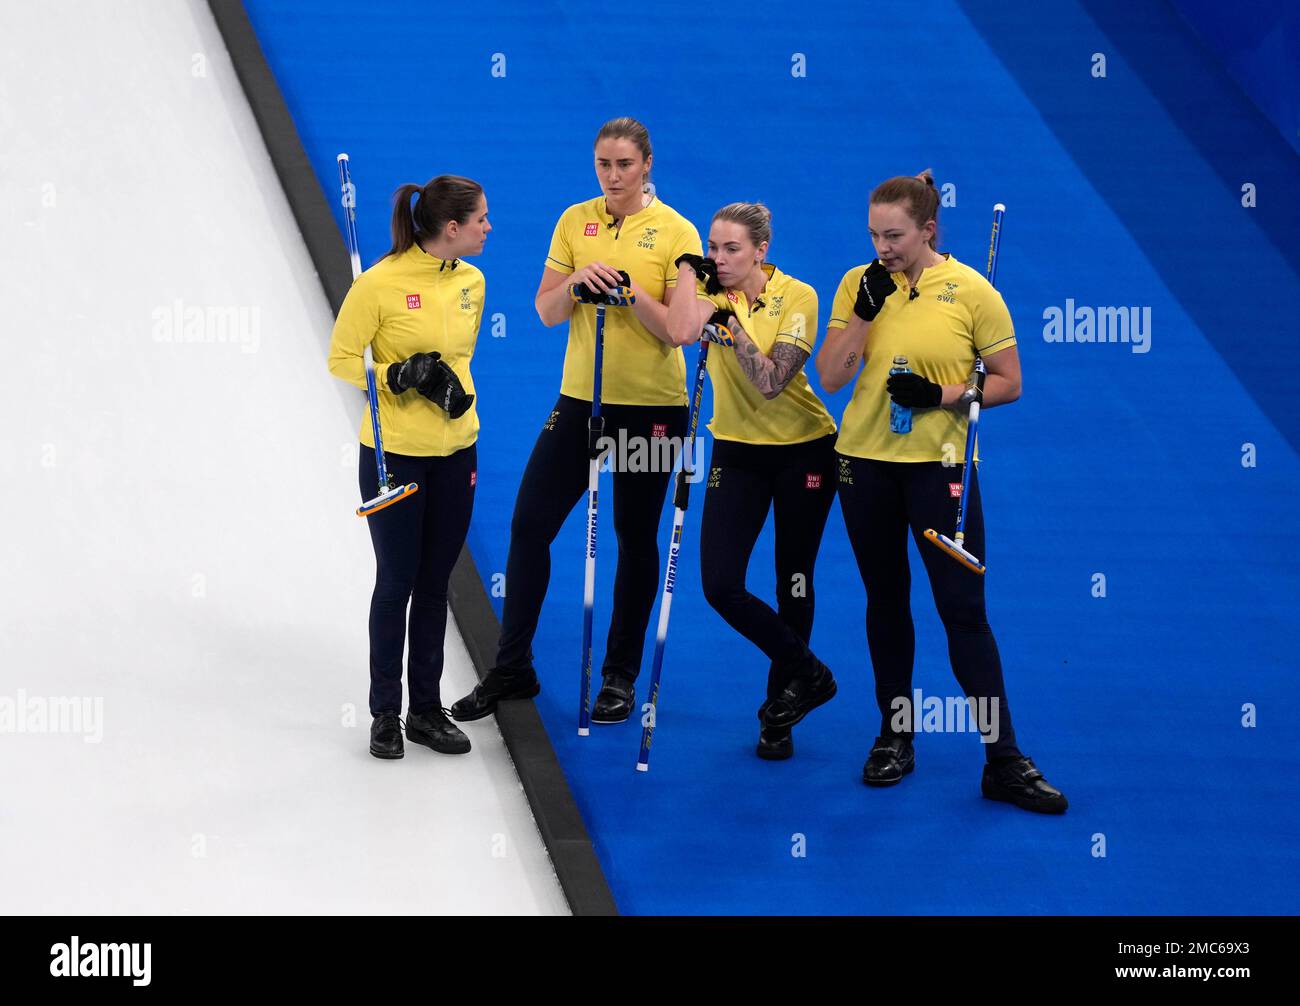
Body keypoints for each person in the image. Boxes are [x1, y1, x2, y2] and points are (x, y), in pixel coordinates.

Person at [815, 170, 1067, 813]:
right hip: (864, 466)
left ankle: (1004, 759)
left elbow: (1008, 381)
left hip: (941, 472)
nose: (882, 247)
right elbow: (833, 377)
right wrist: (865, 314)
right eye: (873, 234)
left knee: (962, 611)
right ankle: (895, 735)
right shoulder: (858, 284)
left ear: (929, 229)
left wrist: (946, 395)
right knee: (886, 602)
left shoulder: (973, 293)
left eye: (894, 235)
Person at [450, 117, 702, 725]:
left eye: (623, 165)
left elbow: (678, 331)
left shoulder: (679, 232)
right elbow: (544, 309)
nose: (612, 176)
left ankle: (618, 677)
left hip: (653, 413)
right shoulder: (574, 220)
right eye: (603, 165)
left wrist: (628, 293)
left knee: (634, 537)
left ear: (646, 164)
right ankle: (513, 667)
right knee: (530, 524)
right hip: (580, 403)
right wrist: (579, 286)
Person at [667, 203, 840, 760]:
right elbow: (678, 331)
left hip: (804, 453)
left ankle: (780, 714)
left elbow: (770, 380)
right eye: (713, 248)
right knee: (720, 585)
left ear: (761, 251)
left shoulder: (799, 297)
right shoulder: (712, 291)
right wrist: (688, 276)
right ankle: (808, 672)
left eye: (731, 249)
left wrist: (732, 328)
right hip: (737, 453)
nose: (719, 258)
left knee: (793, 576)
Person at [328, 175, 490, 760]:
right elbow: (341, 358)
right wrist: (396, 376)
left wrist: (444, 386)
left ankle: (425, 709)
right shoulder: (378, 284)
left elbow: (464, 354)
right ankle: (384, 713)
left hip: (457, 452)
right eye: (480, 220)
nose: (488, 228)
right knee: (396, 581)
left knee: (435, 582)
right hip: (395, 457)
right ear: (452, 228)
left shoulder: (473, 281)